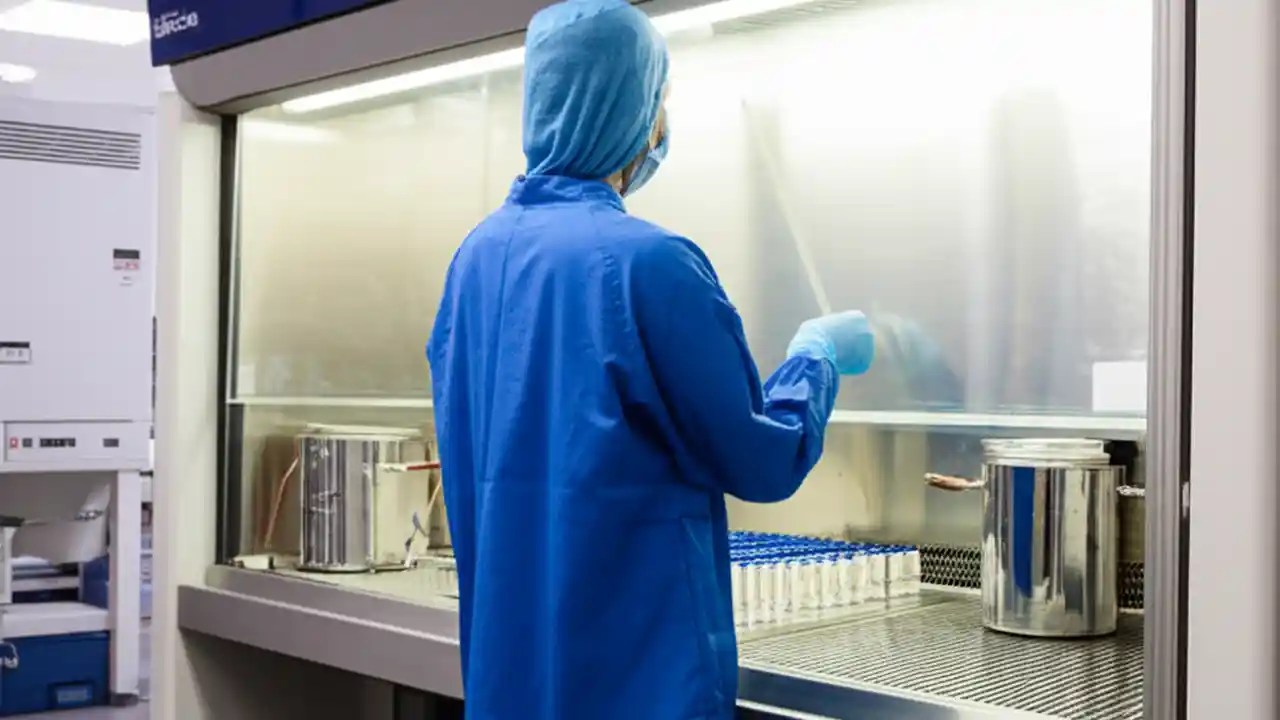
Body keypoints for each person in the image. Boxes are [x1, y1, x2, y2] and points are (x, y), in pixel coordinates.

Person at [426, 1, 874, 717]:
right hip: (634, 682)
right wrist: (813, 359)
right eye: (659, 100)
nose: (662, 124)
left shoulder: (475, 258)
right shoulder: (648, 265)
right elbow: (761, 458)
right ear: (629, 107)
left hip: (513, 680)